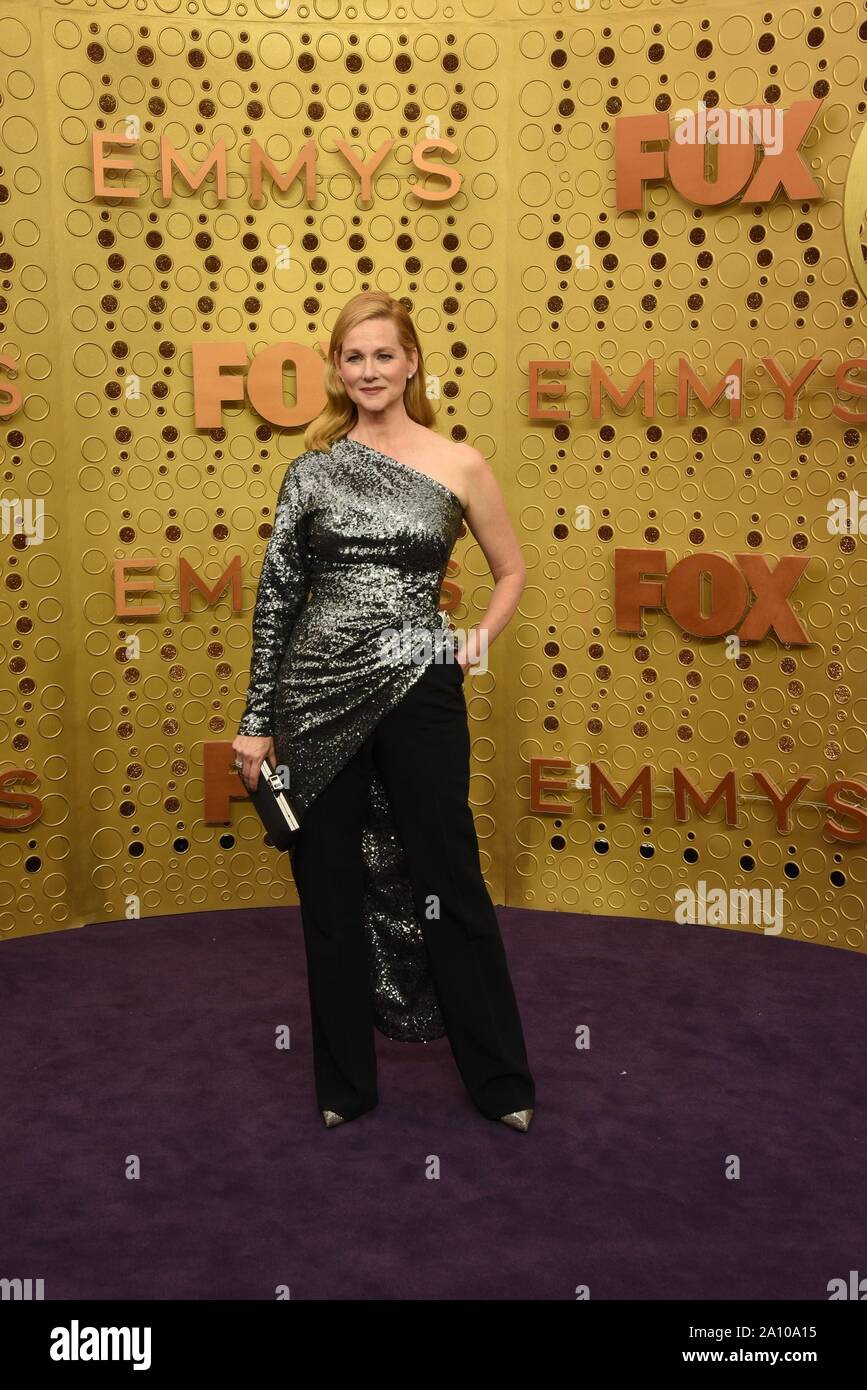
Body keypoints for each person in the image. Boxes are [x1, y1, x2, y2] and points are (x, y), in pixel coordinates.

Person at [232, 290, 535, 1131]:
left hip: (419, 686)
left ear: (411, 364)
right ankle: (343, 1085)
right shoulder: (312, 470)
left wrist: (477, 636)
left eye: (383, 355)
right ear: (337, 370)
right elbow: (278, 600)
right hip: (315, 694)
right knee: (327, 889)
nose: (368, 370)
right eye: (352, 357)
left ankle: (501, 1082)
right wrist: (258, 719)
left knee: (449, 875)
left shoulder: (459, 463)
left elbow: (510, 568)